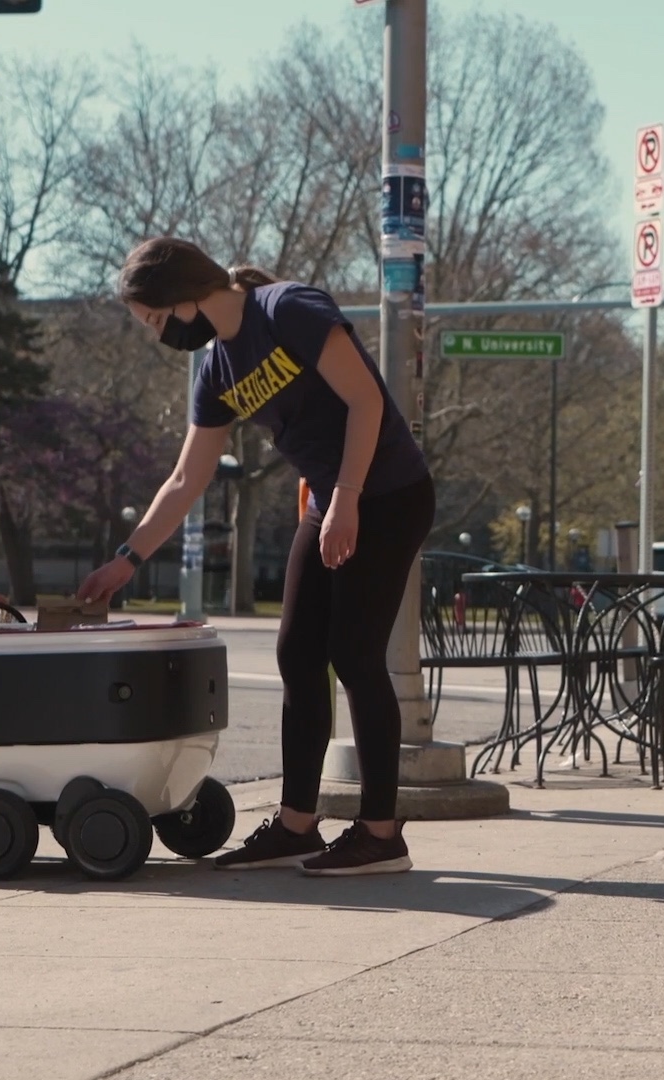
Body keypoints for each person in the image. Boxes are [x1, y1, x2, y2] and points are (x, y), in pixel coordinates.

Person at [78, 237, 434, 876]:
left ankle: (382, 833)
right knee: (297, 652)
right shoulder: (217, 368)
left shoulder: (287, 309)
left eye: (156, 321)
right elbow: (187, 478)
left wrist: (348, 498)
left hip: (388, 492)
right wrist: (125, 562)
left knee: (354, 655)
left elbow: (367, 401)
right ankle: (298, 824)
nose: (160, 335)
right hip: (334, 496)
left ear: (181, 295)